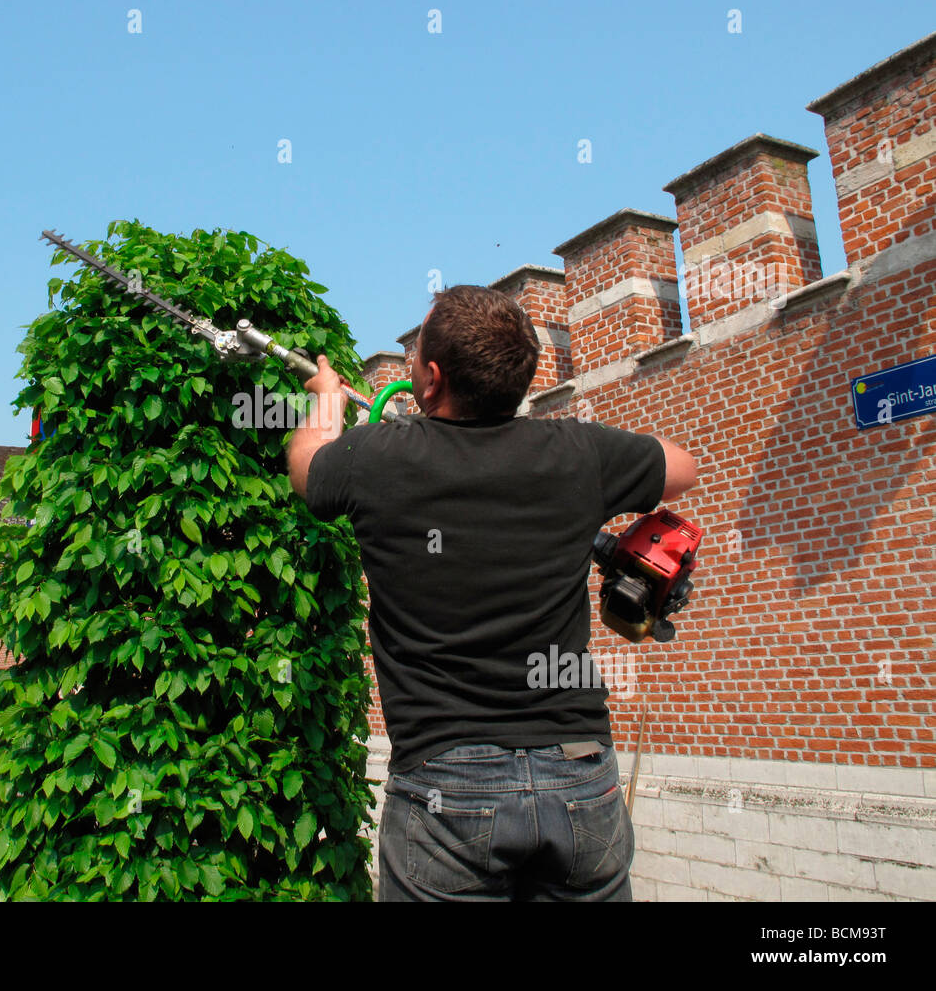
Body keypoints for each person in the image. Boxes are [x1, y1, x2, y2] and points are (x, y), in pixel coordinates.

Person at [286, 284, 698, 901]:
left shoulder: (376, 457)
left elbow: (308, 466)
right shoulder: (575, 450)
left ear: (429, 376)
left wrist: (324, 399)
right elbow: (683, 467)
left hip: (447, 789)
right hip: (581, 776)